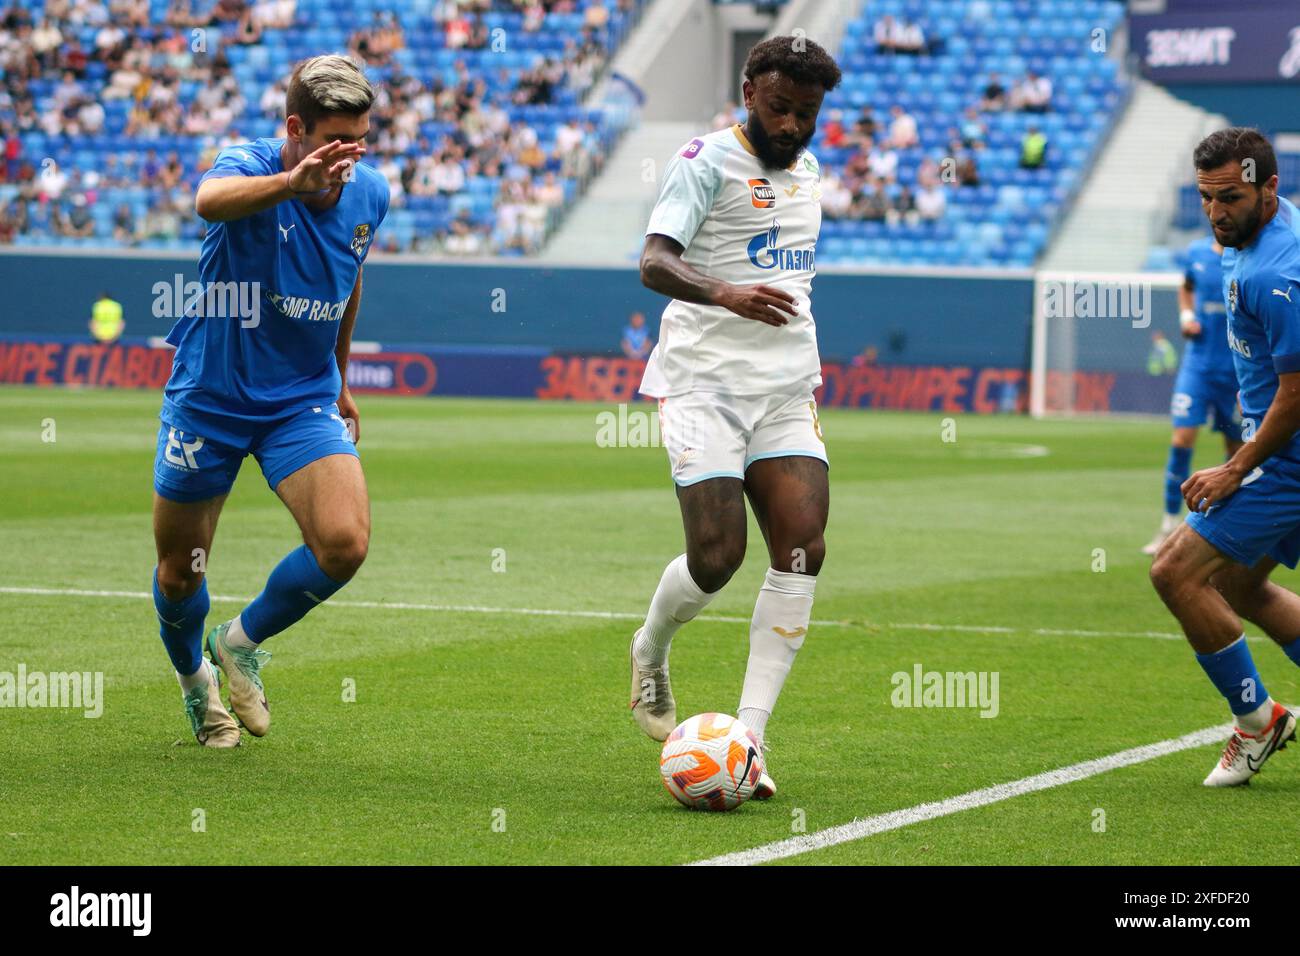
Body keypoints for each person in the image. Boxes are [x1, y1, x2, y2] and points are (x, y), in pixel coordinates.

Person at [151, 54, 389, 748]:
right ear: (296, 129)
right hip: (212, 398)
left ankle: (240, 642)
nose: (349, 158)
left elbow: (351, 276)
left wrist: (340, 377)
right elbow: (208, 201)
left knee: (344, 544)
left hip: (300, 400)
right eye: (335, 142)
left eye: (361, 141)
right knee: (179, 571)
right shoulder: (248, 162)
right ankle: (196, 685)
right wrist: (290, 183)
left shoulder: (370, 193)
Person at [630, 35, 842, 800]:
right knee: (718, 557)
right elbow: (653, 260)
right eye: (781, 108)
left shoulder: (809, 170)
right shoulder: (703, 162)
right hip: (703, 386)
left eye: (807, 115)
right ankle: (650, 650)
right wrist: (727, 294)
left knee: (801, 550)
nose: (792, 127)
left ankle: (749, 742)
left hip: (785, 389)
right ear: (749, 91)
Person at [1149, 128, 1300, 786]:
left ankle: (1258, 722)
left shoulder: (1276, 272)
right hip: (1278, 448)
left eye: (1230, 198)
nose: (1217, 212)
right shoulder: (1250, 237)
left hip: (1285, 458)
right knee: (1238, 583)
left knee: (1174, 573)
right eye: (1207, 198)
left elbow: (1297, 393)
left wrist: (1237, 465)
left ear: (1270, 189)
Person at [1142, 232, 1242, 555]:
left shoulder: (1249, 256)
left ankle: (1224, 528)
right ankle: (1168, 526)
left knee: (1236, 450)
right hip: (1197, 367)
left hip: (1238, 373)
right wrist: (1186, 317)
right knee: (1182, 439)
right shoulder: (1196, 252)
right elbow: (1186, 288)